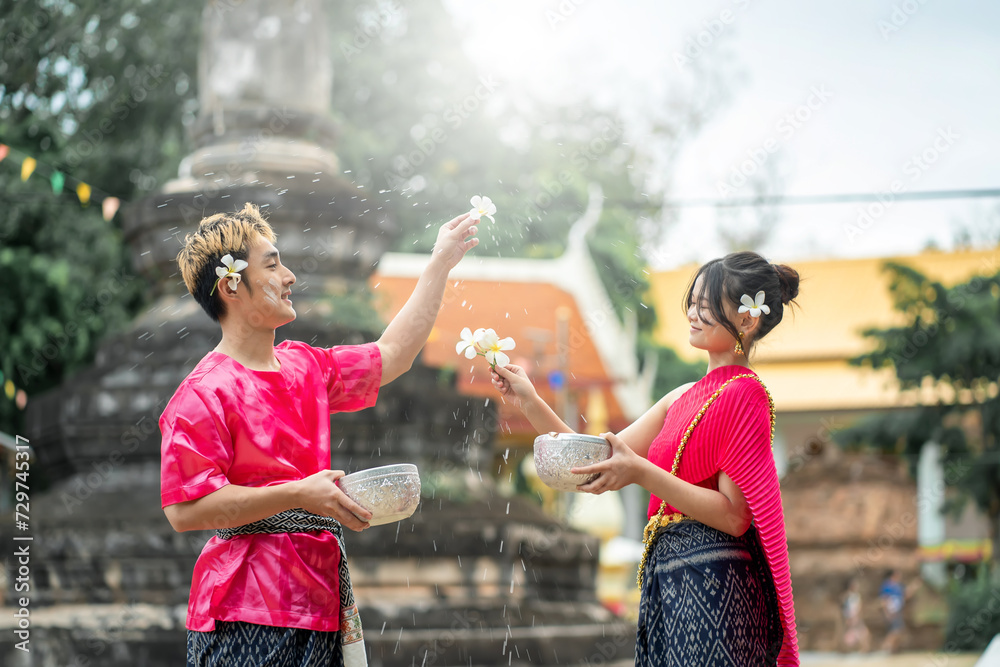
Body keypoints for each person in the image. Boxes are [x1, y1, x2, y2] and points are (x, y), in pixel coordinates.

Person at [159, 203, 478, 667]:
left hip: (322, 604)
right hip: (244, 610)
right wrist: (299, 495)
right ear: (231, 285)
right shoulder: (204, 392)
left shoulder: (305, 365)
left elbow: (394, 354)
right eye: (272, 264)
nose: (289, 276)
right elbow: (183, 511)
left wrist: (439, 264)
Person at [492, 251, 800, 666]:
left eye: (706, 306)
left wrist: (640, 472)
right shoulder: (680, 397)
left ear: (747, 320)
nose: (692, 313)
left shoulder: (746, 394)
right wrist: (529, 399)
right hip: (666, 577)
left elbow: (734, 517)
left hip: (716, 580)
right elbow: (596, 458)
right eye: (692, 302)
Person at [879, 568, 916, 653]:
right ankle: (884, 648)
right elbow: (884, 600)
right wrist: (887, 612)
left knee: (898, 631)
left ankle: (892, 650)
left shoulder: (898, 586)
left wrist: (914, 586)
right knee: (894, 631)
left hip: (898, 612)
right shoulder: (887, 585)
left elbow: (906, 595)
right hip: (891, 612)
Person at [842, 577, 871, 653]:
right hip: (852, 617)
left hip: (856, 617)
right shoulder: (848, 596)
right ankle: (860, 649)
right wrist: (848, 618)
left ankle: (863, 649)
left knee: (862, 633)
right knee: (855, 633)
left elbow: (859, 608)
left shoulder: (856, 596)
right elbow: (846, 608)